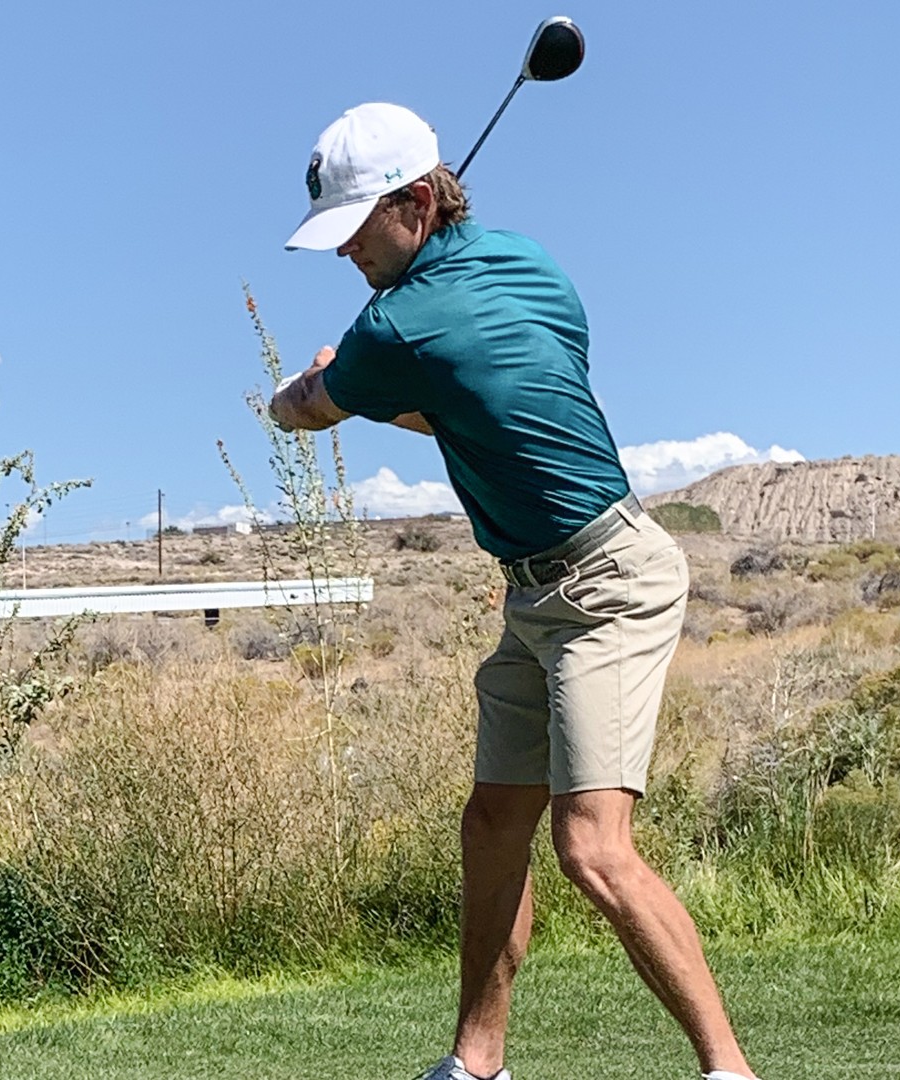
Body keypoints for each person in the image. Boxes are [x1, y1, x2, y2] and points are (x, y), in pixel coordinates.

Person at [269, 103, 758, 1080]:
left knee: (593, 849)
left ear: (414, 203)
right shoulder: (530, 264)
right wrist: (378, 372)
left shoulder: (394, 323)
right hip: (535, 593)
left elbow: (306, 413)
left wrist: (309, 385)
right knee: (495, 821)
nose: (346, 255)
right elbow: (478, 399)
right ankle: (477, 1062)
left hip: (606, 584)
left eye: (357, 230)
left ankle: (730, 1072)